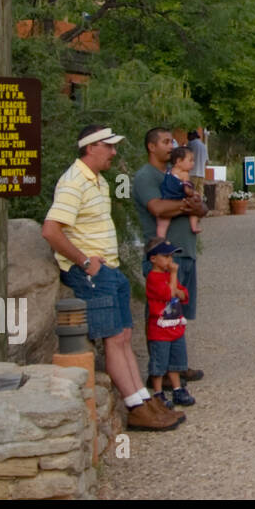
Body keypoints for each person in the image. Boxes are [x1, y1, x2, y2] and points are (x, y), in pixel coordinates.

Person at [41, 125, 181, 431]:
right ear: (91, 148)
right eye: (109, 146)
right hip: (93, 273)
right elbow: (51, 229)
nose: (114, 153)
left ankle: (144, 400)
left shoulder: (98, 181)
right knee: (114, 339)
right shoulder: (73, 182)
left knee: (124, 337)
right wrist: (83, 261)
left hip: (109, 270)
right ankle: (135, 405)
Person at [134, 127, 206, 387]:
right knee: (159, 313)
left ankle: (177, 365)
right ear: (151, 146)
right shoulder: (146, 176)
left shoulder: (173, 175)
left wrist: (192, 206)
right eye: (165, 141)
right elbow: (157, 207)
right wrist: (188, 206)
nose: (171, 145)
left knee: (177, 312)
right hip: (161, 257)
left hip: (184, 252)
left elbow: (203, 206)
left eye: (171, 141)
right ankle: (160, 371)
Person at [144, 239, 196, 409]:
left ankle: (177, 389)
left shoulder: (167, 276)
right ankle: (158, 393)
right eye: (166, 256)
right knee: (159, 362)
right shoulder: (153, 277)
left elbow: (182, 293)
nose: (170, 261)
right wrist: (174, 279)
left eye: (171, 256)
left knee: (175, 361)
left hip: (175, 326)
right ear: (153, 259)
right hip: (160, 329)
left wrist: (176, 289)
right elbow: (168, 293)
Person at [156, 145, 202, 239]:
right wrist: (193, 193)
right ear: (179, 161)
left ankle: (160, 239)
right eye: (190, 160)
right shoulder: (185, 174)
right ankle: (194, 226)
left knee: (162, 224)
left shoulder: (169, 171)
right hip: (178, 199)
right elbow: (187, 190)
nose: (193, 163)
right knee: (194, 209)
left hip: (165, 199)